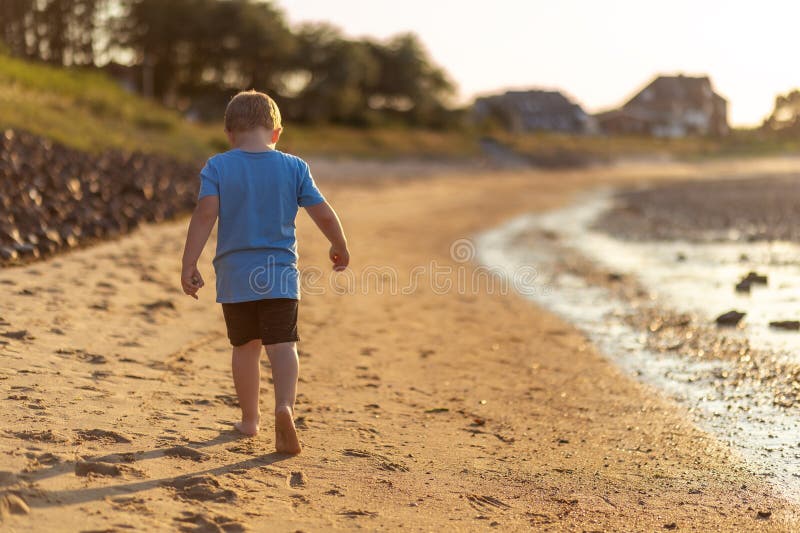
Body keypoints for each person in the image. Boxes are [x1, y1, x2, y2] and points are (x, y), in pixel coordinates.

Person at [180, 90, 349, 454]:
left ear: (229, 132)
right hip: (280, 275)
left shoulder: (218, 166)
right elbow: (322, 211)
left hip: (235, 276)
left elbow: (205, 214)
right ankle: (285, 406)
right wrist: (339, 243)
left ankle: (250, 420)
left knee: (245, 347)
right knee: (283, 345)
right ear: (276, 133)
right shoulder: (294, 167)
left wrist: (189, 262)